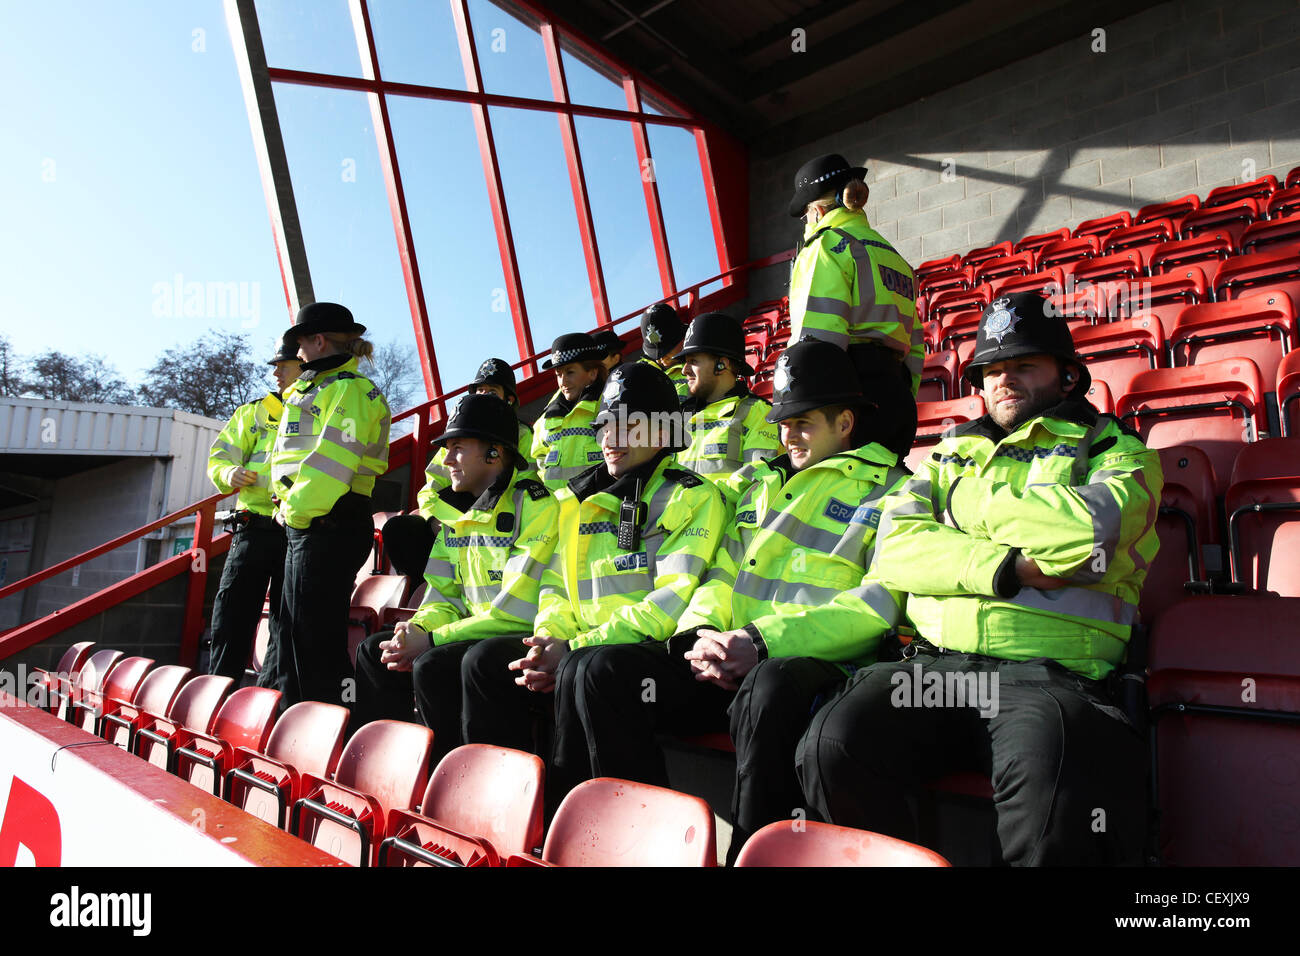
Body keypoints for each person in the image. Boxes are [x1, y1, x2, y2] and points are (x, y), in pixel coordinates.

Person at [797, 292, 1164, 866]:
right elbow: (894, 549)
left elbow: (1088, 533)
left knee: (1054, 784)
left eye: (1023, 365)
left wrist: (964, 501)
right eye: (992, 369)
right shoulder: (951, 452)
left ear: (1068, 376)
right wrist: (1008, 566)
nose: (1004, 380)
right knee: (832, 742)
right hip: (933, 665)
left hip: (1051, 678)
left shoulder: (1115, 449)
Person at [557, 340, 909, 862]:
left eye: (804, 422)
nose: (788, 434)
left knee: (769, 687)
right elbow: (723, 572)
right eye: (784, 421)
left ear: (846, 422)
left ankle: (750, 853)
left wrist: (761, 642)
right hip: (727, 655)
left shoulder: (892, 490)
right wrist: (699, 636)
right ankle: (638, 845)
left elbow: (875, 606)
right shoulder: (759, 483)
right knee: (602, 670)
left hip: (807, 667)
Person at [458, 362, 727, 791]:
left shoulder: (691, 496)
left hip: (655, 655)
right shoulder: (573, 500)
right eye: (603, 426)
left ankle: (613, 827)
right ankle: (499, 806)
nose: (609, 439)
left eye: (625, 427)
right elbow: (555, 587)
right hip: (584, 648)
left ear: (660, 432)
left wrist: (574, 647)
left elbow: (673, 602)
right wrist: (546, 641)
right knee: (484, 661)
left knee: (590, 669)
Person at [349, 394, 557, 763]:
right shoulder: (456, 513)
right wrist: (415, 630)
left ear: (494, 453)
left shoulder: (538, 506)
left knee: (441, 662)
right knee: (374, 652)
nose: (446, 461)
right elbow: (443, 595)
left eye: (458, 448)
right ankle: (388, 771)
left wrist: (432, 638)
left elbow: (517, 613)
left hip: (517, 635)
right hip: (472, 634)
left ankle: (462, 780)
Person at [269, 302, 391, 708]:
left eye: (301, 343)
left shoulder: (349, 391)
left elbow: (330, 466)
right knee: (292, 636)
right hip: (308, 520)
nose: (297, 353)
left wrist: (294, 510)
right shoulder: (320, 387)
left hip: (326, 521)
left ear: (318, 340)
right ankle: (296, 730)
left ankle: (324, 735)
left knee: (313, 642)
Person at [786, 152, 921, 460]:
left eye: (806, 215)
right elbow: (915, 346)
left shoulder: (824, 246)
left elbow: (816, 341)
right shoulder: (895, 257)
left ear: (818, 211)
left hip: (849, 400)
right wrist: (903, 395)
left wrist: (803, 410)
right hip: (897, 399)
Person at [380, 357, 534, 583]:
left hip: (494, 516)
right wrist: (434, 519)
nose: (483, 396)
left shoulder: (522, 435)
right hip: (450, 521)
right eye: (479, 390)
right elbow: (430, 490)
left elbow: (525, 480)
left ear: (509, 399)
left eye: (491, 391)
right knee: (399, 529)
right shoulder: (457, 432)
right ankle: (422, 592)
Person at [205, 333, 302, 684]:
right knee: (232, 611)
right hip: (254, 525)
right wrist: (229, 472)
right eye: (275, 367)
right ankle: (219, 689)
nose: (276, 373)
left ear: (303, 365)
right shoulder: (252, 413)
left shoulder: (314, 412)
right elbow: (219, 458)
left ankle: (268, 699)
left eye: (283, 365)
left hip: (295, 527)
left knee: (284, 618)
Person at [674, 311, 781, 501]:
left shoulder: (758, 413)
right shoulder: (682, 416)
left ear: (721, 365)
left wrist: (698, 503)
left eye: (693, 361)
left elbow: (757, 480)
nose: (684, 370)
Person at [529, 333, 607, 490]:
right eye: (558, 374)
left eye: (570, 372)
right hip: (557, 513)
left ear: (592, 373)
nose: (563, 381)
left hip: (599, 511)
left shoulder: (612, 409)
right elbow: (538, 465)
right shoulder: (544, 421)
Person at [638, 302, 690, 401]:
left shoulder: (699, 366)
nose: (661, 359)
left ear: (683, 338)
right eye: (654, 355)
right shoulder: (638, 370)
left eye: (667, 351)